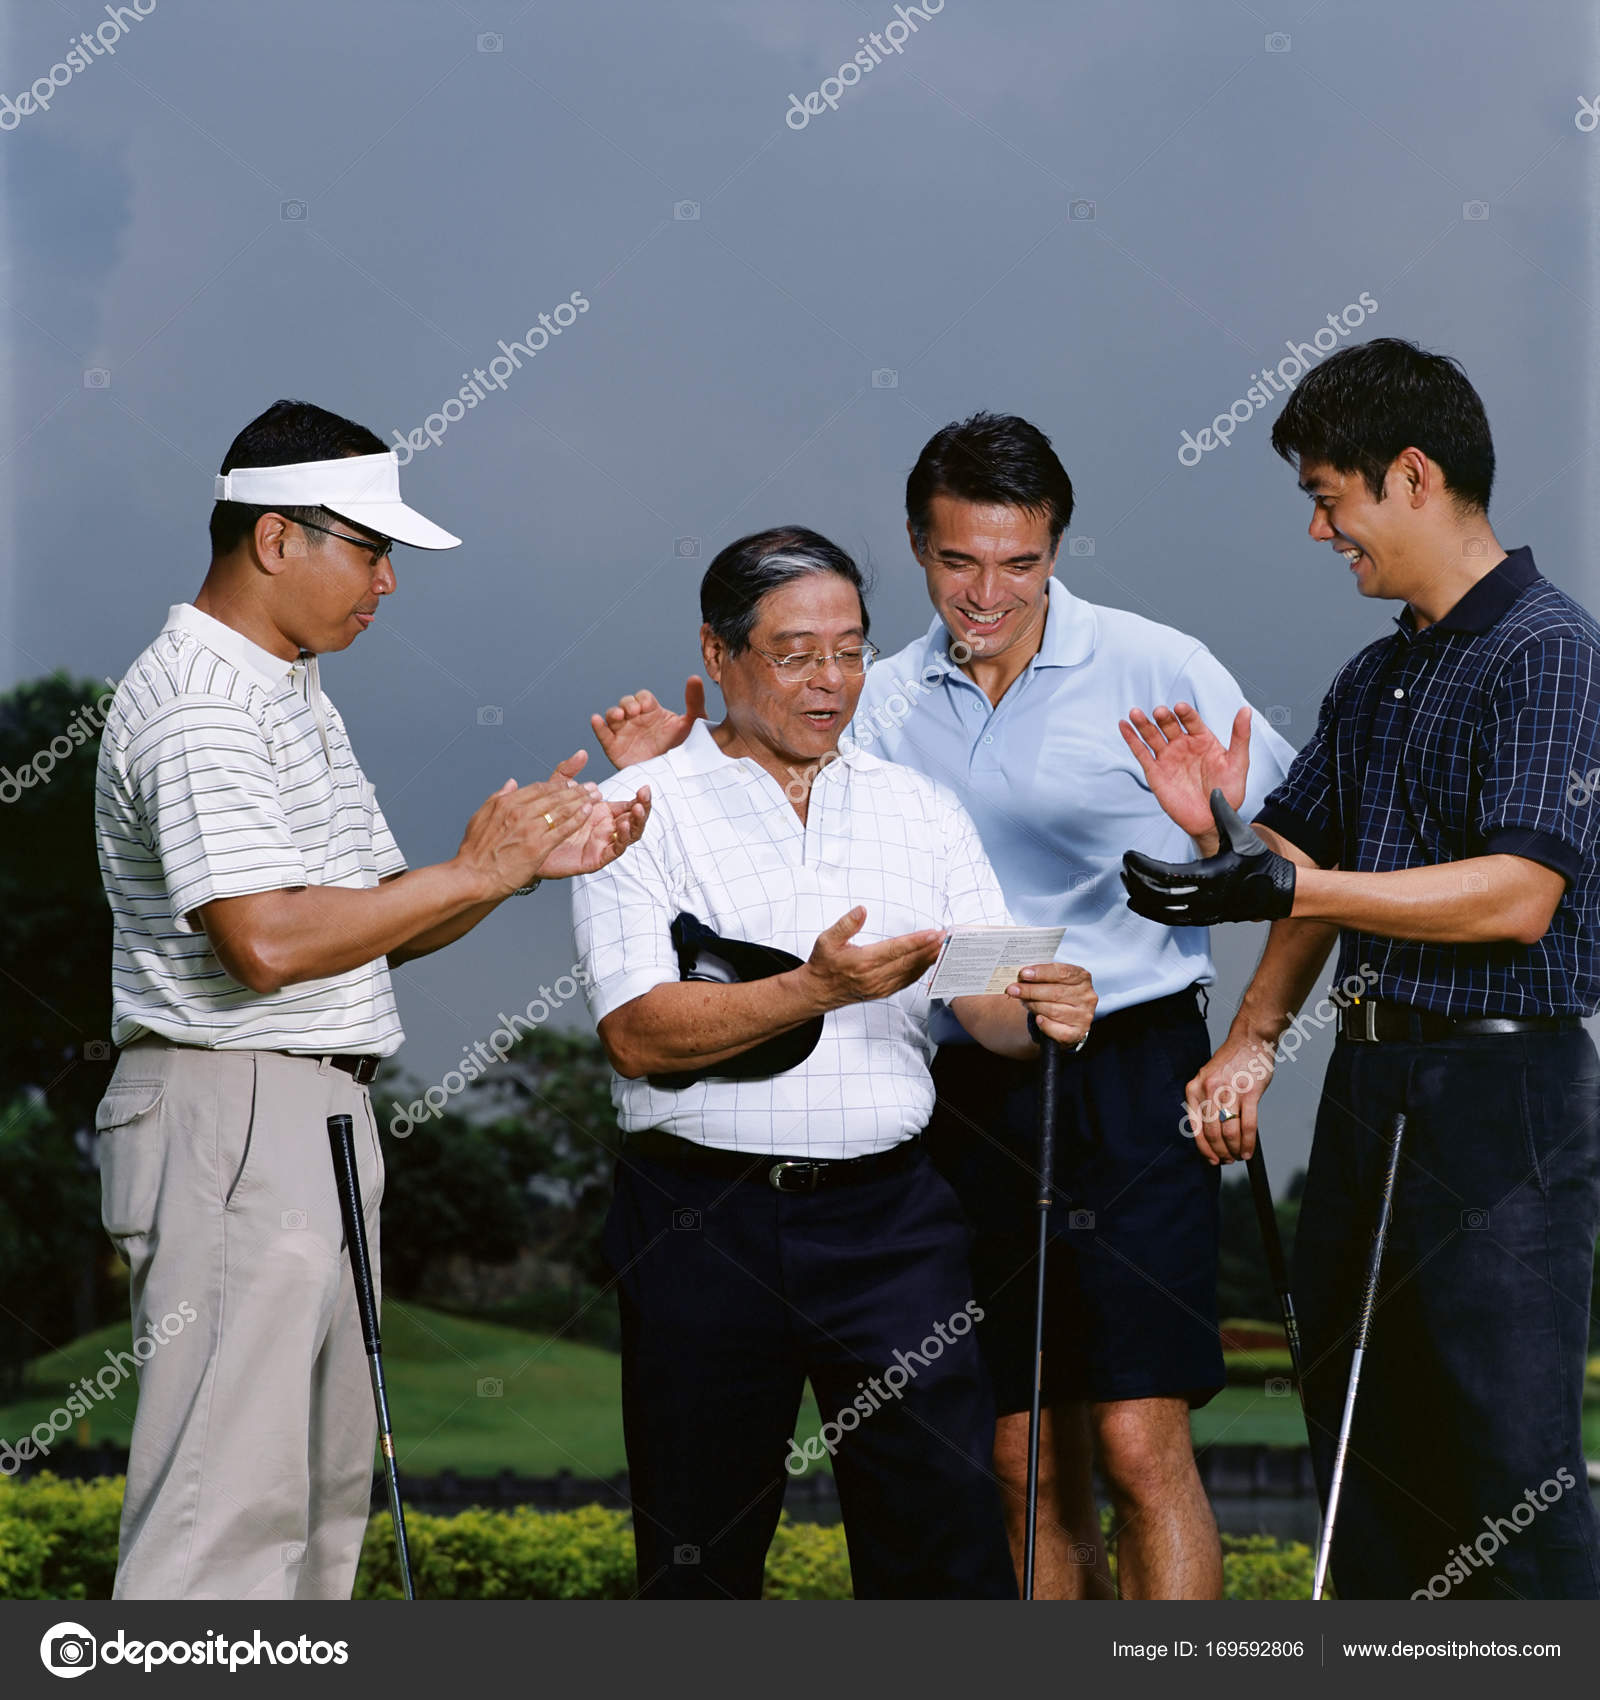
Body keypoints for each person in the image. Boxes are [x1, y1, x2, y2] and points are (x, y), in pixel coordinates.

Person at [588, 417, 1292, 1599]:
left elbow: (1292, 859)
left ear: (1058, 547)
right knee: (1015, 1453)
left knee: (1134, 1437)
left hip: (1125, 1060)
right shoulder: (874, 694)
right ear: (918, 546)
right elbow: (771, 774)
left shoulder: (1157, 664)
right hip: (954, 1068)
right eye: (959, 560)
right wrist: (682, 763)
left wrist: (1247, 1013)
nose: (988, 593)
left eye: (1021, 562)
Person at [92, 398, 650, 1600]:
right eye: (369, 548)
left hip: (308, 1112)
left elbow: (367, 925)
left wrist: (511, 872)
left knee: (314, 1502)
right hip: (234, 1110)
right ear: (275, 537)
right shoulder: (201, 700)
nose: (387, 581)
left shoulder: (288, 687)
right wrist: (475, 869)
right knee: (223, 1515)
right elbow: (264, 942)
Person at [1122, 338, 1600, 1599]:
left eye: (1328, 497)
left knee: (1507, 1463)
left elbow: (1518, 894)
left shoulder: (1550, 649)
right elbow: (1299, 867)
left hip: (1502, 1099)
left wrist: (1291, 883)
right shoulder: (1377, 672)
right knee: (1363, 1447)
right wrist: (1225, 851)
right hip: (1369, 1091)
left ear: (1413, 474)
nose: (1319, 528)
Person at [571, 525, 1097, 1599]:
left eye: (852, 651)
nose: (830, 680)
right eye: (796, 652)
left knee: (942, 1547)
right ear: (718, 655)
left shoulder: (919, 808)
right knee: (699, 1557)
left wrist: (1049, 1005)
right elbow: (637, 1031)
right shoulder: (636, 809)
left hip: (892, 1221)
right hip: (700, 1219)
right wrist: (814, 990)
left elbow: (989, 999)